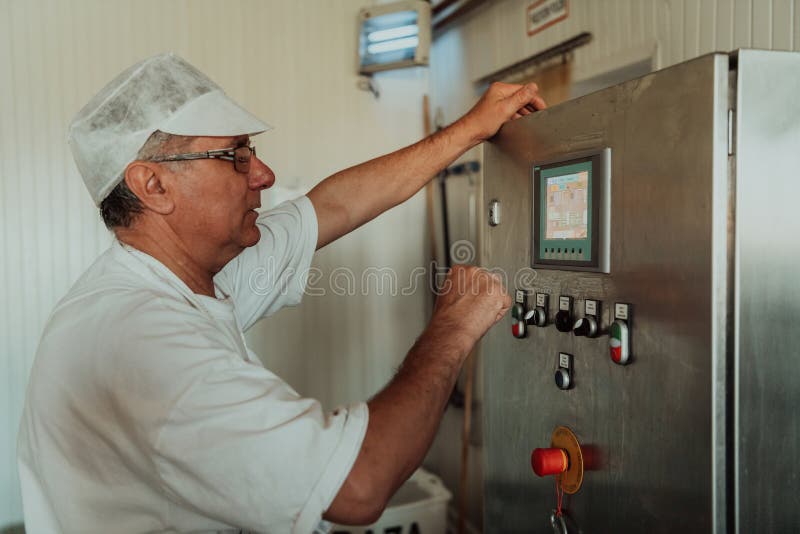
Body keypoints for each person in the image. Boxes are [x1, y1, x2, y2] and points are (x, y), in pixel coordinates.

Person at [17, 53, 545, 533]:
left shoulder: (185, 274)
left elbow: (332, 207)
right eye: (236, 156)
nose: (264, 175)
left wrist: (470, 130)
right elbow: (358, 485)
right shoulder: (145, 342)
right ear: (153, 186)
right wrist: (453, 327)